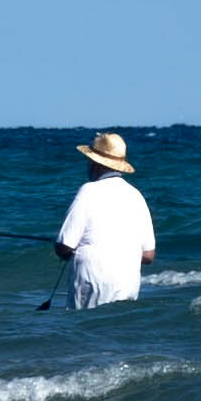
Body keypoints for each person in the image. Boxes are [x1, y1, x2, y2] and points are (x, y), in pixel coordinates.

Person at [55, 132, 156, 308]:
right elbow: (148, 255)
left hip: (92, 284)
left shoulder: (88, 191)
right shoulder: (136, 196)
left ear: (96, 164)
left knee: (85, 331)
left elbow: (64, 246)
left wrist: (63, 250)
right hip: (127, 284)